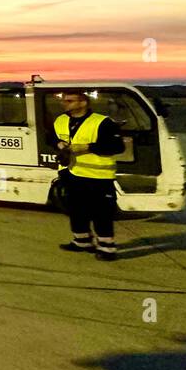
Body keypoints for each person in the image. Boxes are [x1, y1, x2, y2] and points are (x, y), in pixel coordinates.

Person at [50, 90, 125, 261]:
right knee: (76, 210)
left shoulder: (102, 122)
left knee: (101, 213)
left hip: (97, 176)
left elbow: (117, 146)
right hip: (71, 173)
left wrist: (88, 147)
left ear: (83, 103)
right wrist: (58, 143)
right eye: (64, 101)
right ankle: (82, 241)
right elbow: (51, 137)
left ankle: (107, 248)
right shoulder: (61, 120)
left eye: (69, 101)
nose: (64, 104)